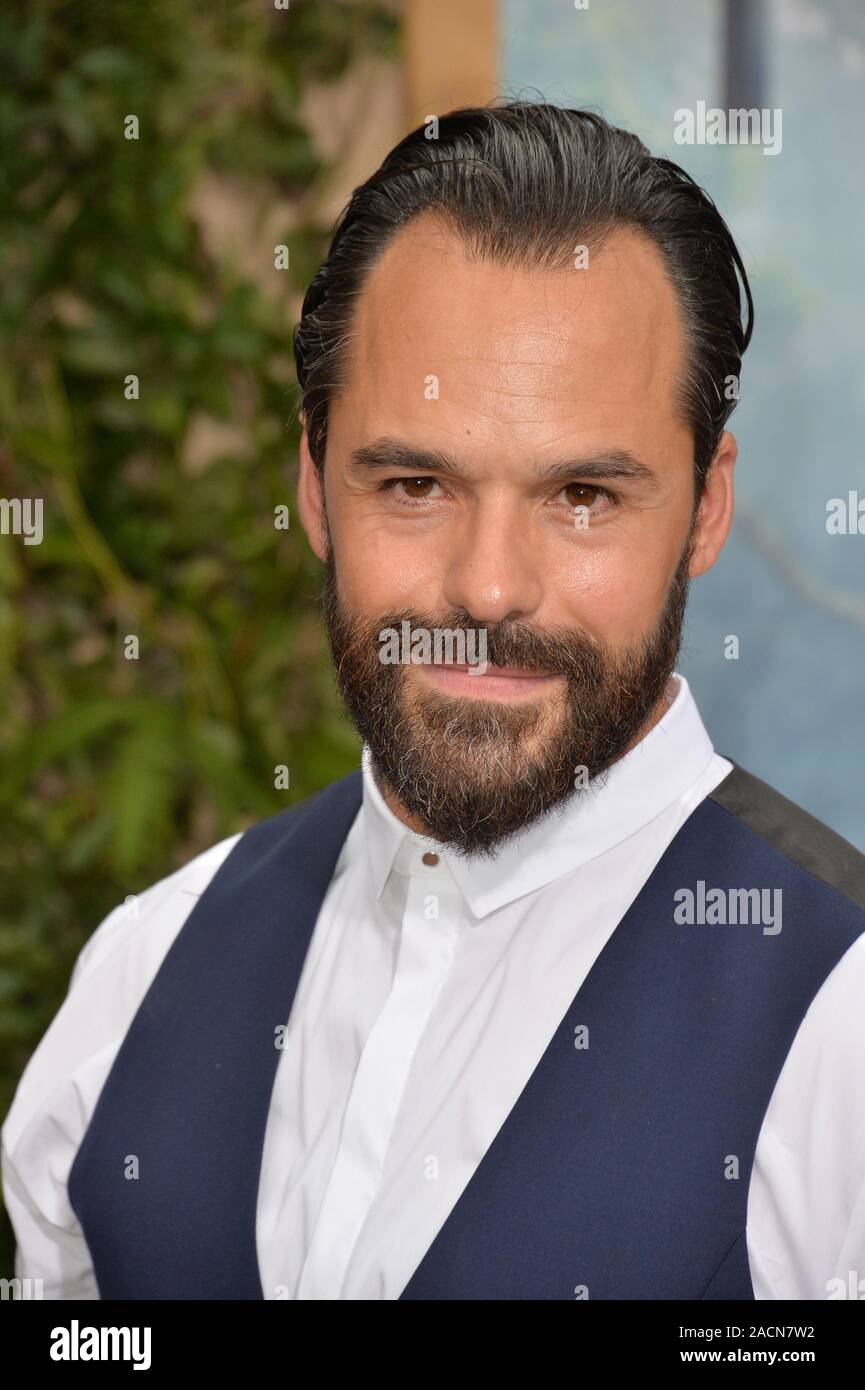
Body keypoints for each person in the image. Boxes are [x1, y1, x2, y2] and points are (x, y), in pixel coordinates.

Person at [3, 102, 864, 1301]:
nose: (488, 586)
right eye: (413, 482)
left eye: (581, 494)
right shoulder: (141, 972)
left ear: (706, 507)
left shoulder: (845, 1030)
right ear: (311, 484)